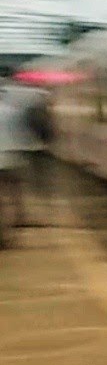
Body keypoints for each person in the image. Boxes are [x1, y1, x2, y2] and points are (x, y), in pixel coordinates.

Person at [0, 87, 27, 247]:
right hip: (9, 158)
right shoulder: (12, 112)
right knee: (13, 192)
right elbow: (20, 135)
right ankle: (18, 217)